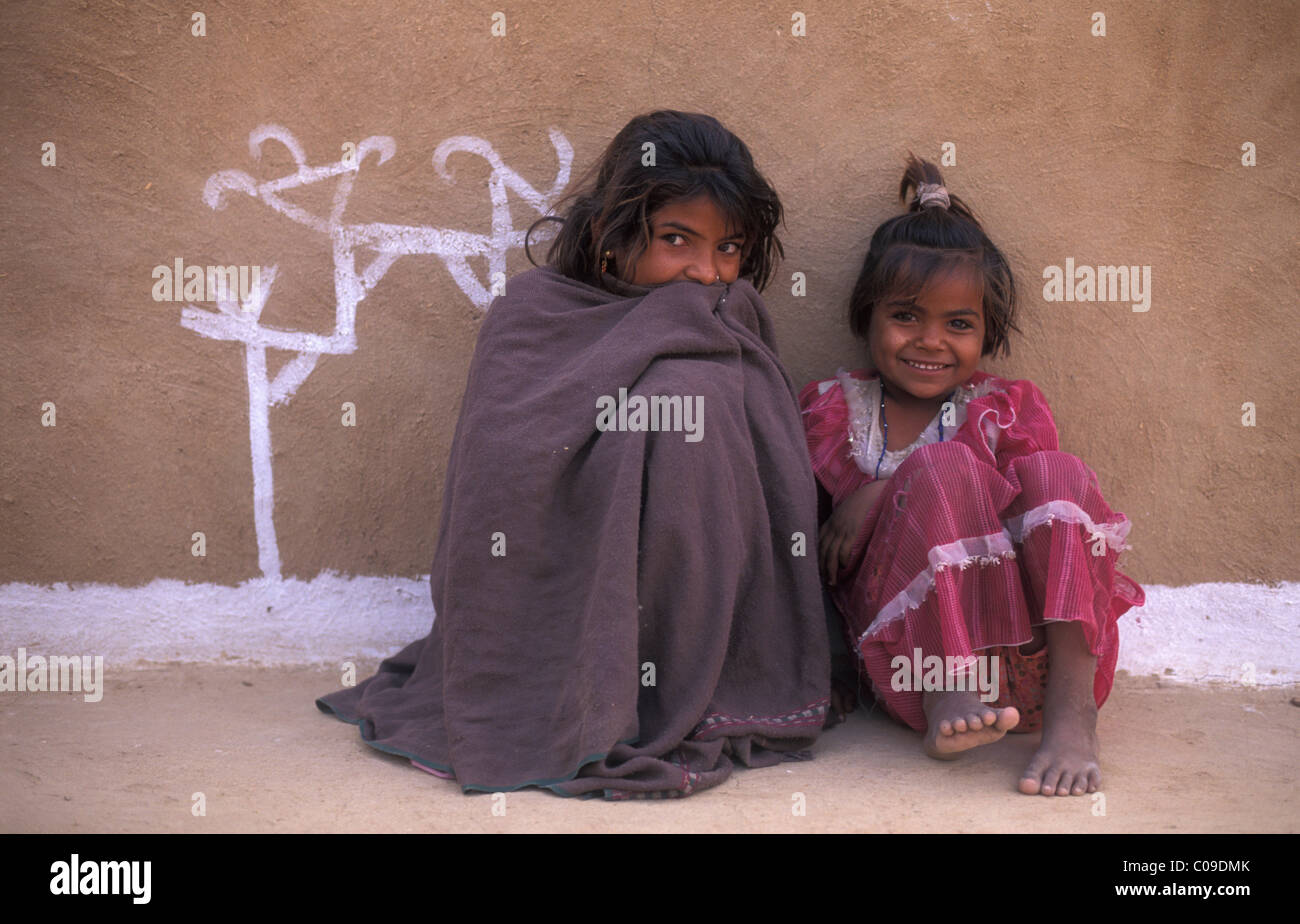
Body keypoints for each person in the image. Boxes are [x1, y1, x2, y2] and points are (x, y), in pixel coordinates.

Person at [317, 111, 830, 800]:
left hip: (684, 624)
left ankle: (668, 684)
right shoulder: (534, 314)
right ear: (610, 238)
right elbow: (500, 475)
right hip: (552, 615)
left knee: (693, 402)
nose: (706, 272)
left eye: (729, 248)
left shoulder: (730, 324)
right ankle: (579, 688)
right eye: (676, 239)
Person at [800, 155, 1144, 795]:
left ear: (987, 334)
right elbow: (805, 556)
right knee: (944, 466)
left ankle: (1074, 709)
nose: (931, 340)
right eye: (906, 316)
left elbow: (1025, 515)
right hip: (909, 669)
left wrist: (879, 492)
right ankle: (949, 686)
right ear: (865, 317)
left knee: (1054, 472)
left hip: (1026, 667)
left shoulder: (1004, 410)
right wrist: (826, 669)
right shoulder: (829, 413)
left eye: (959, 324)